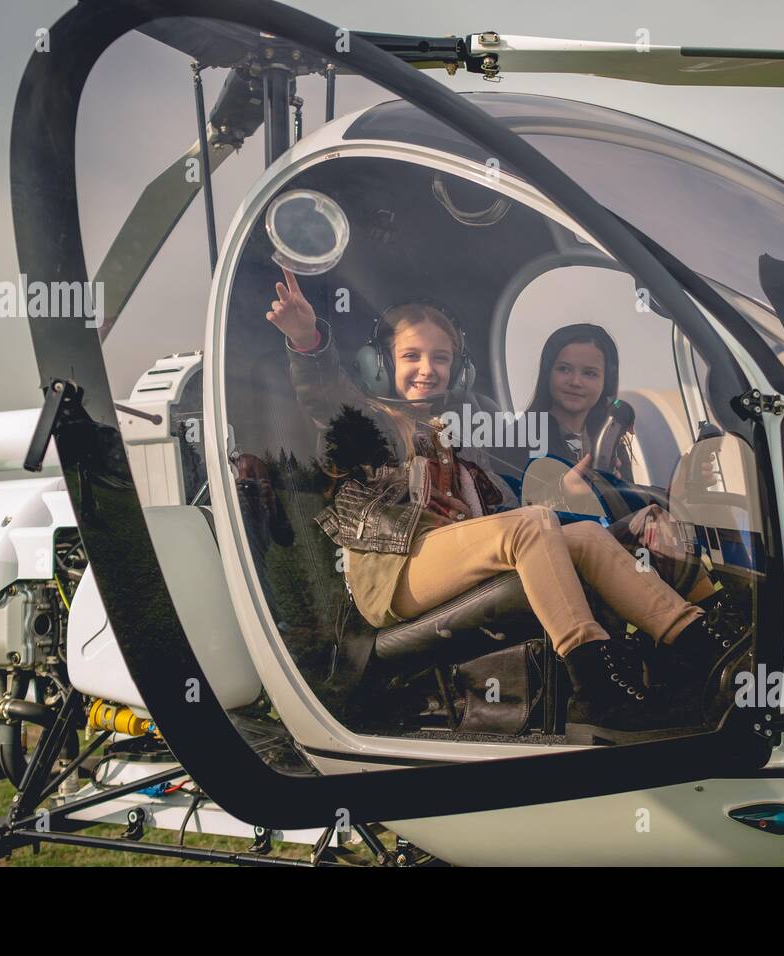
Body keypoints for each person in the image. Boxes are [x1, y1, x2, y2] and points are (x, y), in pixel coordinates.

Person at [265, 269, 721, 739]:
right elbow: (325, 395)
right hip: (395, 572)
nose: (428, 368)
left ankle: (706, 652)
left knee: (583, 536)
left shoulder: (466, 428)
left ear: (458, 369)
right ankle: (598, 690)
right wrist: (307, 340)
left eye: (440, 358)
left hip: (454, 556)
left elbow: (514, 506)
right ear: (379, 364)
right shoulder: (369, 422)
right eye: (411, 356)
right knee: (529, 524)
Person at [516, 323, 719, 605]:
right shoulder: (518, 434)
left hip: (614, 545)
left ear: (605, 381)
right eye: (564, 369)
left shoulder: (609, 437)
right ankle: (712, 616)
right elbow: (508, 512)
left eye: (589, 373)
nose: (575, 381)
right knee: (654, 522)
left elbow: (624, 500)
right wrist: (563, 494)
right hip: (559, 550)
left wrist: (681, 487)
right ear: (547, 372)